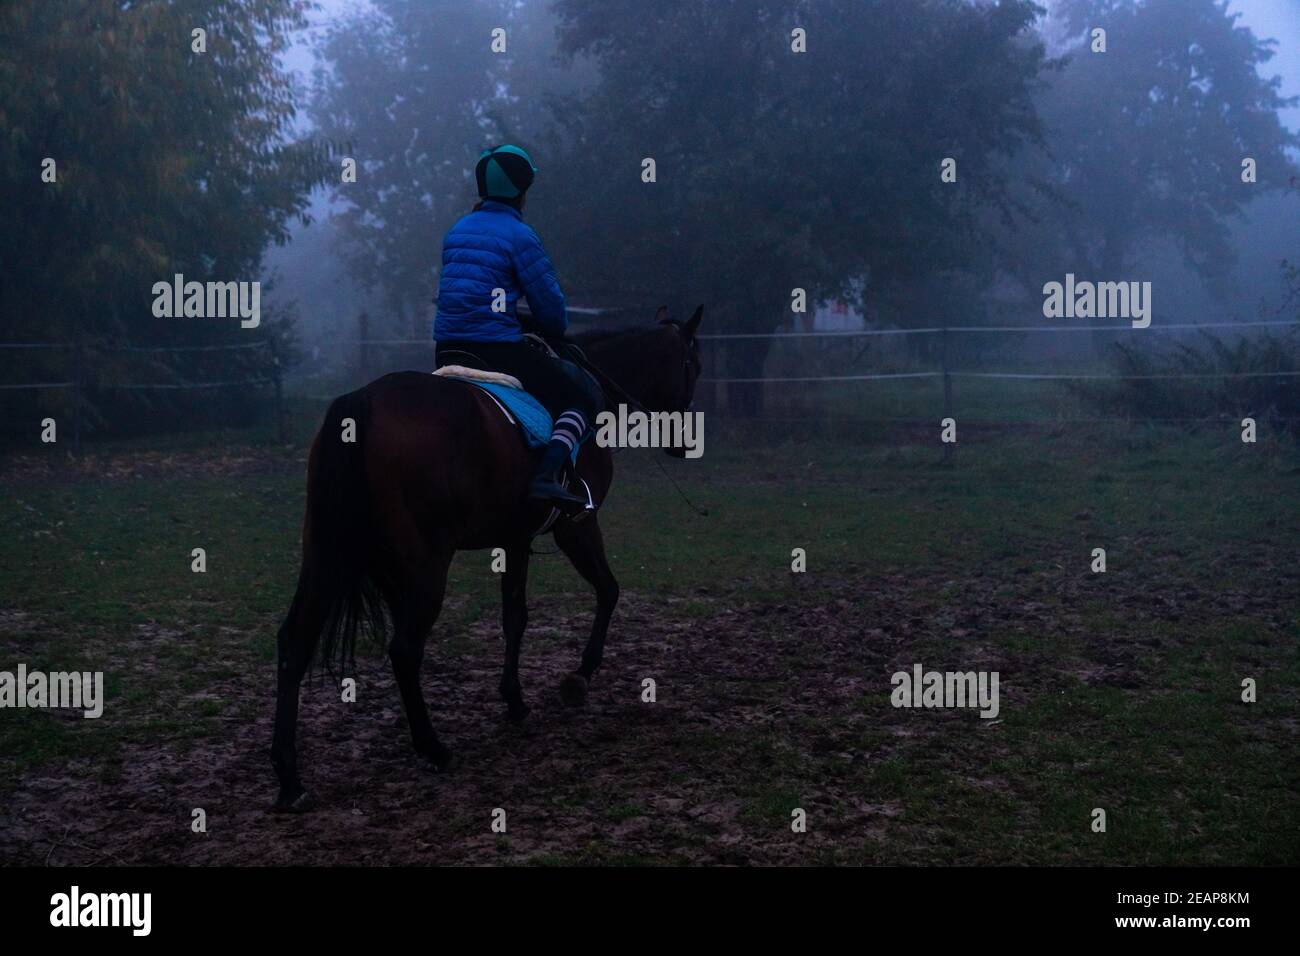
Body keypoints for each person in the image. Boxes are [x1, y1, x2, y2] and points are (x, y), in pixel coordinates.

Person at [432, 144, 601, 511]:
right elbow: (551, 311)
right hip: (495, 350)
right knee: (581, 397)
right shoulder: (520, 235)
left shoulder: (457, 230)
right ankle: (545, 477)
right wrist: (545, 323)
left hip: (447, 348)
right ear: (522, 191)